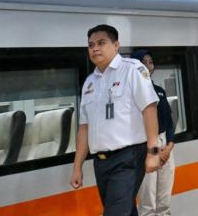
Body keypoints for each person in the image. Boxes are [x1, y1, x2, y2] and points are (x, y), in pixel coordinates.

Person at [69, 24, 161, 216]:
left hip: (128, 158)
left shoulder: (132, 70)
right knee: (125, 211)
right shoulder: (89, 83)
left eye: (101, 43)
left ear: (116, 45)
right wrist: (77, 167)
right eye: (91, 44)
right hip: (101, 163)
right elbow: (84, 128)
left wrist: (153, 151)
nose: (95, 48)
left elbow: (149, 108)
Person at [132, 50, 175, 216]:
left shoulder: (160, 91)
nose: (148, 66)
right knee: (147, 204)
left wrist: (169, 147)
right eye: (144, 62)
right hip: (147, 146)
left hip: (165, 144)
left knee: (164, 201)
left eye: (150, 62)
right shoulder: (133, 94)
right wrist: (156, 150)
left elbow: (169, 122)